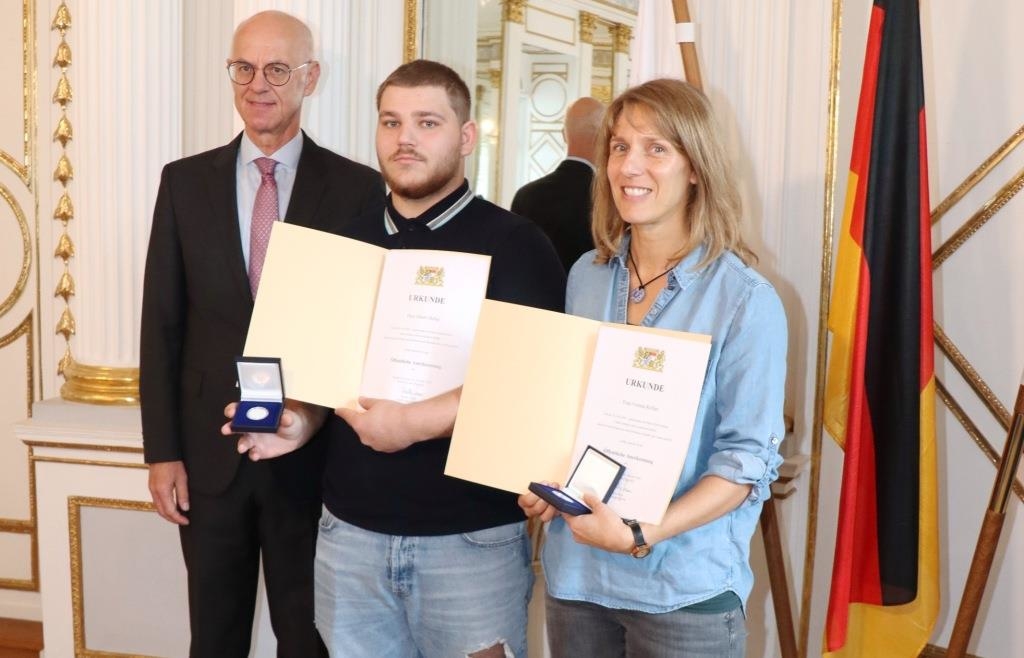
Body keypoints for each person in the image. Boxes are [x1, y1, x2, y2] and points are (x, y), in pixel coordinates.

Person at [226, 59, 566, 657]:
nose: (405, 138)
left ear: (465, 137)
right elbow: (327, 377)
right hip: (349, 537)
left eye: (427, 122)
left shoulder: (518, 244)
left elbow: (529, 386)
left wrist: (410, 424)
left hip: (470, 542)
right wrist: (298, 424)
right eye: (391, 122)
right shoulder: (344, 243)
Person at [140, 10, 384, 657]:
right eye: (243, 68)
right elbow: (160, 325)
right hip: (207, 458)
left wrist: (317, 415)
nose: (258, 84)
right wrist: (161, 452)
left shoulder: (359, 190)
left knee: (306, 641)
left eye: (277, 69)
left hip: (312, 461)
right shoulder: (183, 183)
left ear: (311, 78)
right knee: (214, 638)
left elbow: (360, 327)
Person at [518, 78, 787, 657]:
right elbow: (574, 414)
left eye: (655, 148)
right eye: (619, 147)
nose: (629, 166)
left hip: (682, 593)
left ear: (696, 167)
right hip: (578, 579)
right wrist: (545, 482)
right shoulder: (586, 276)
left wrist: (643, 531)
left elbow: (746, 463)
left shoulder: (745, 299)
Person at [511, 96, 604, 270]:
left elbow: (514, 261)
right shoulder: (607, 198)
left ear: (563, 135)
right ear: (603, 137)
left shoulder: (526, 195)